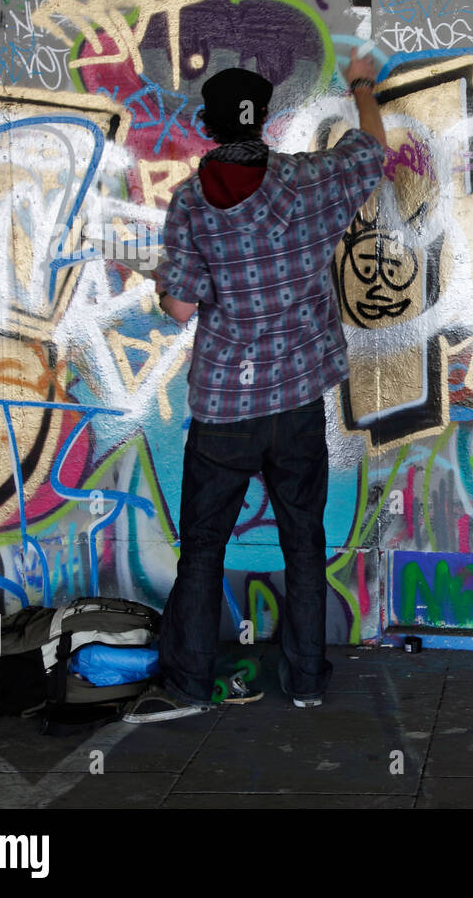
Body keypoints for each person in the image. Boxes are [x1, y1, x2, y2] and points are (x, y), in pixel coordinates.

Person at [124, 53, 387, 723]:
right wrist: (361, 84)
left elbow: (181, 309)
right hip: (297, 400)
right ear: (264, 122)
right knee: (304, 541)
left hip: (225, 409)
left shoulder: (189, 200)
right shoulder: (306, 181)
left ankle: (187, 685)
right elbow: (372, 152)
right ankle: (305, 680)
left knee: (204, 547)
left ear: (211, 127)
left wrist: (164, 286)